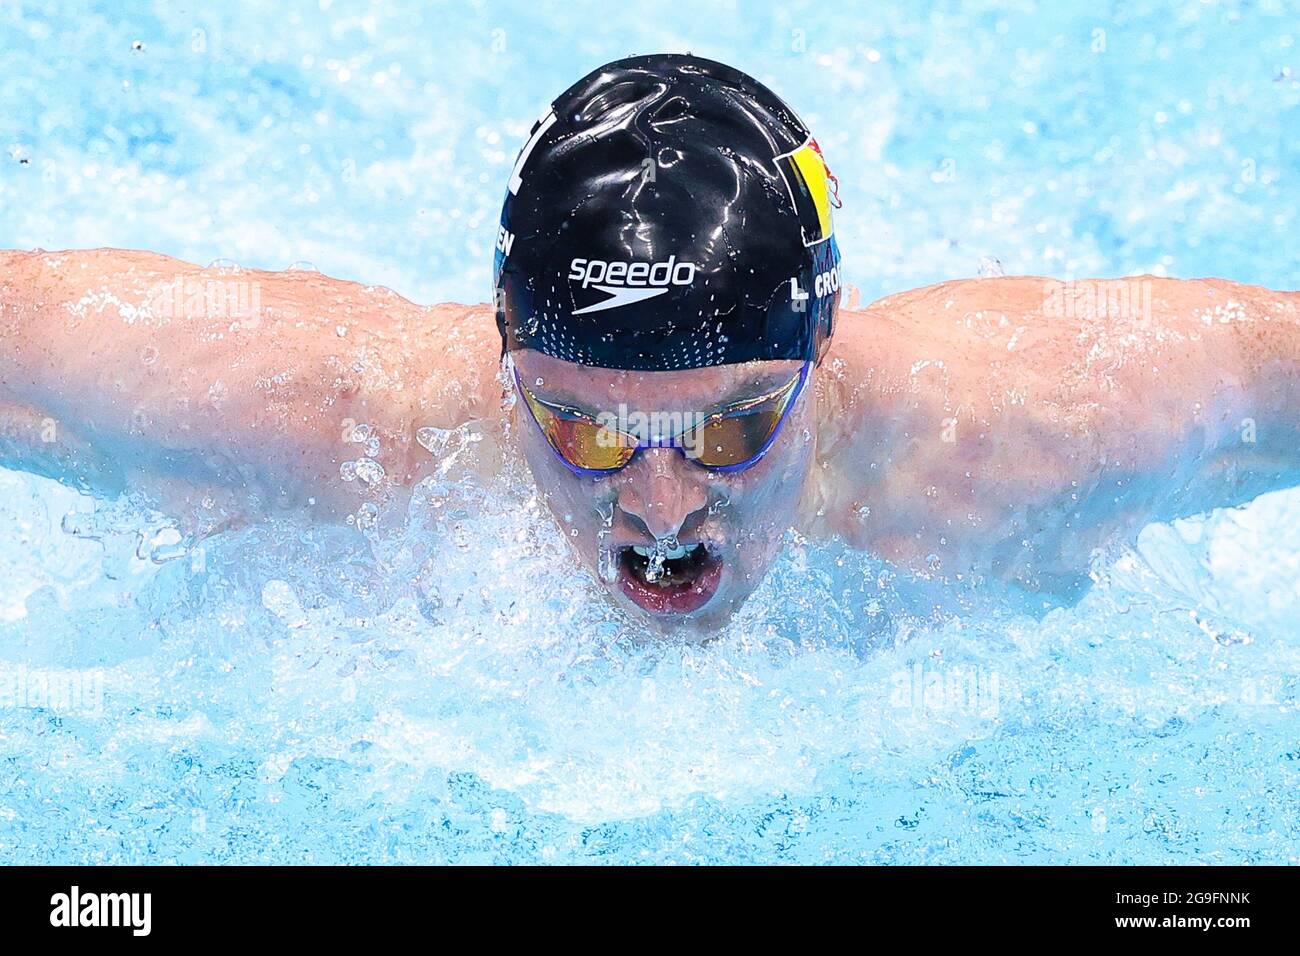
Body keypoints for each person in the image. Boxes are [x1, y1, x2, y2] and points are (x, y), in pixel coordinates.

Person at [1, 54, 1297, 632]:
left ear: (826, 344)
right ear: (507, 353)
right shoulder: (314, 426)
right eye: (584, 427)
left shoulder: (1022, 429)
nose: (660, 503)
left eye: (732, 427)